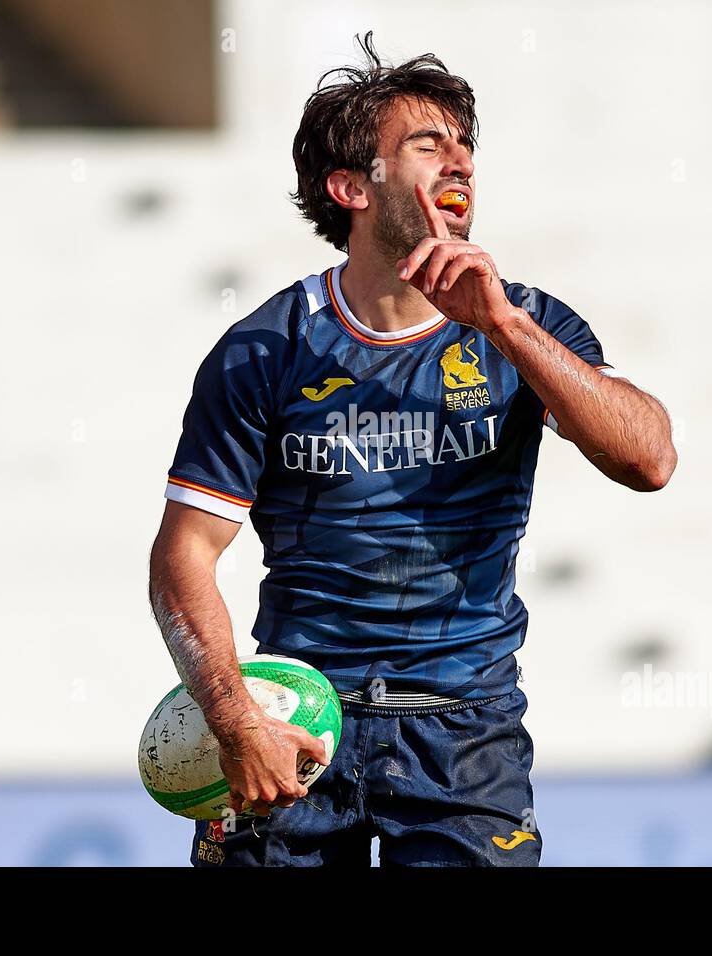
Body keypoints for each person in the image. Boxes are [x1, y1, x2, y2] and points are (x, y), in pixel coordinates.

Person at [149, 32, 676, 866]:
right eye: (429, 145)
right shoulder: (264, 349)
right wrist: (235, 721)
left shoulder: (526, 323)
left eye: (466, 147)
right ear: (352, 185)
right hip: (295, 721)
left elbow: (649, 460)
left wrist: (501, 325)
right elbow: (182, 556)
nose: (459, 162)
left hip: (466, 733)